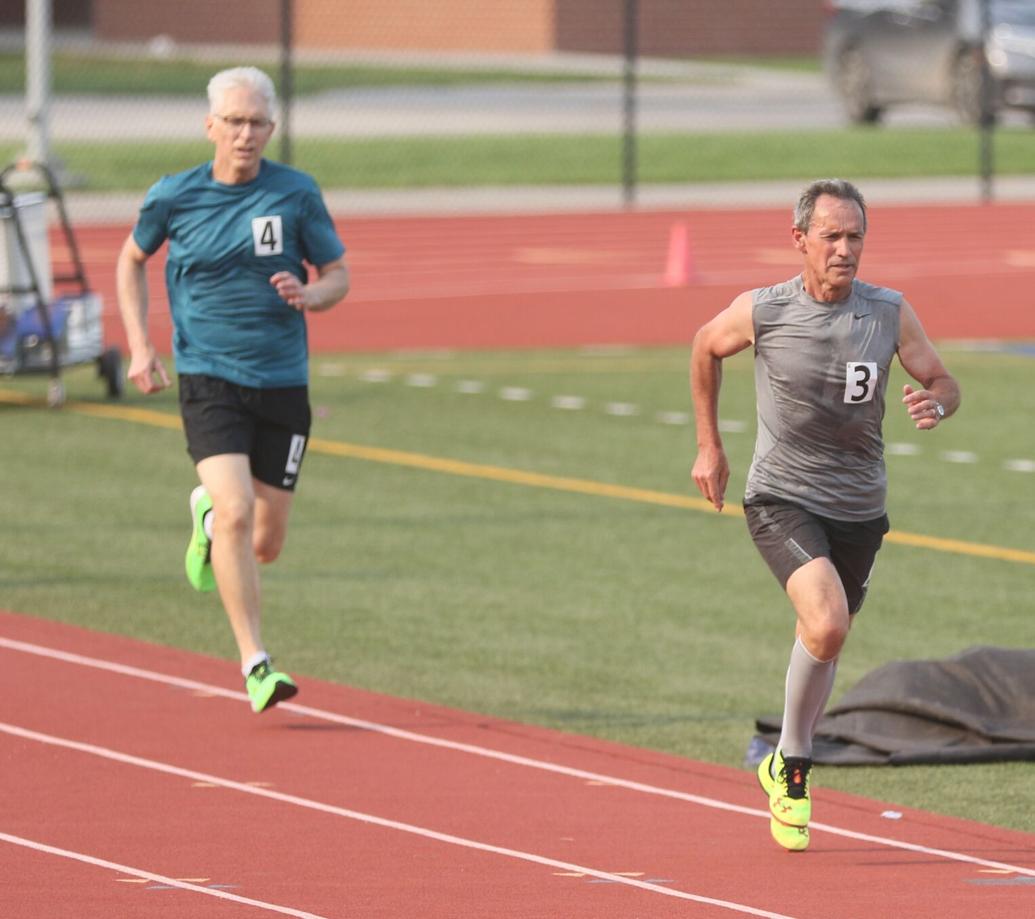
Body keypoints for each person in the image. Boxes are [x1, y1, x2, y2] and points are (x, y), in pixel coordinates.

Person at [689, 178, 960, 851]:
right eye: (831, 236)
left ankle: (783, 760)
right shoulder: (764, 311)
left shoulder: (888, 312)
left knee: (825, 635)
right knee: (827, 618)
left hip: (860, 508)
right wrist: (708, 444)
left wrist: (939, 403)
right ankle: (795, 761)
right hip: (780, 495)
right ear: (800, 240)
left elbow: (941, 378)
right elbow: (702, 346)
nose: (844, 249)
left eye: (854, 236)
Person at [116, 66, 350, 713]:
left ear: (271, 128)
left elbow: (337, 273)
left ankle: (207, 516)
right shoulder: (175, 196)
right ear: (210, 125)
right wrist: (140, 343)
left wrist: (312, 295)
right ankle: (256, 663)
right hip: (208, 377)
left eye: (257, 123)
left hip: (282, 383)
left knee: (262, 542)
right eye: (235, 121)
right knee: (239, 510)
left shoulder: (295, 194)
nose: (246, 134)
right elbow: (131, 260)